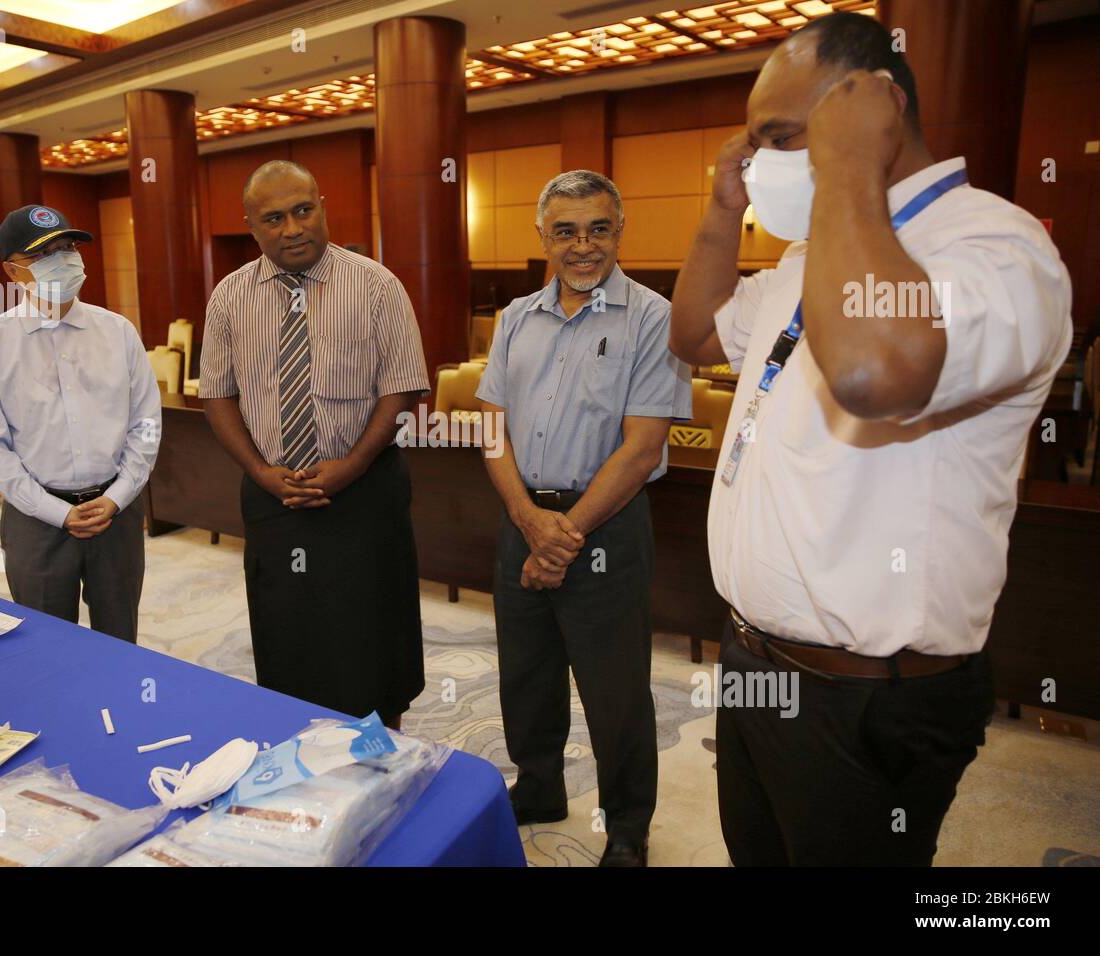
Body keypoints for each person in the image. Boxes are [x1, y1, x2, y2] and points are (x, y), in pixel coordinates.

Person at [669, 12, 1072, 866]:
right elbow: (698, 336)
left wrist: (848, 162)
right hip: (759, 661)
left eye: (785, 137)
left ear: (877, 107)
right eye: (757, 144)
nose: (767, 160)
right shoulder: (809, 258)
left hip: (864, 699)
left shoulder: (997, 248)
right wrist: (720, 210)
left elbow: (874, 371)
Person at [475, 170, 693, 867]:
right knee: (526, 674)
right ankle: (538, 787)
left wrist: (561, 536)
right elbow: (490, 430)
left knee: (615, 687)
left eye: (598, 228)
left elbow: (642, 448)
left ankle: (628, 824)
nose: (583, 245)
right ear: (544, 236)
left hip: (606, 523)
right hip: (523, 515)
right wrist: (528, 520)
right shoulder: (514, 318)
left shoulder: (655, 317)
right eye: (566, 230)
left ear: (619, 231)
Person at [200, 160, 429, 728]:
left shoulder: (377, 286)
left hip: (365, 489)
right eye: (273, 218)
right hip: (274, 493)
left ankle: (384, 752)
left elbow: (400, 389)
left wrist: (350, 466)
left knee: (373, 636)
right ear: (251, 226)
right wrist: (260, 470)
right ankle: (297, 741)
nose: (293, 228)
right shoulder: (228, 297)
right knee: (288, 633)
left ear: (323, 205)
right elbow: (217, 397)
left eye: (303, 210)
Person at [0, 204, 161, 644]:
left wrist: (119, 495)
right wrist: (57, 512)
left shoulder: (118, 332)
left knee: (120, 640)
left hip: (117, 514)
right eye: (43, 254)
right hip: (37, 520)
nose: (63, 260)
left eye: (67, 247)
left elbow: (146, 423)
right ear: (13, 272)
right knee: (47, 645)